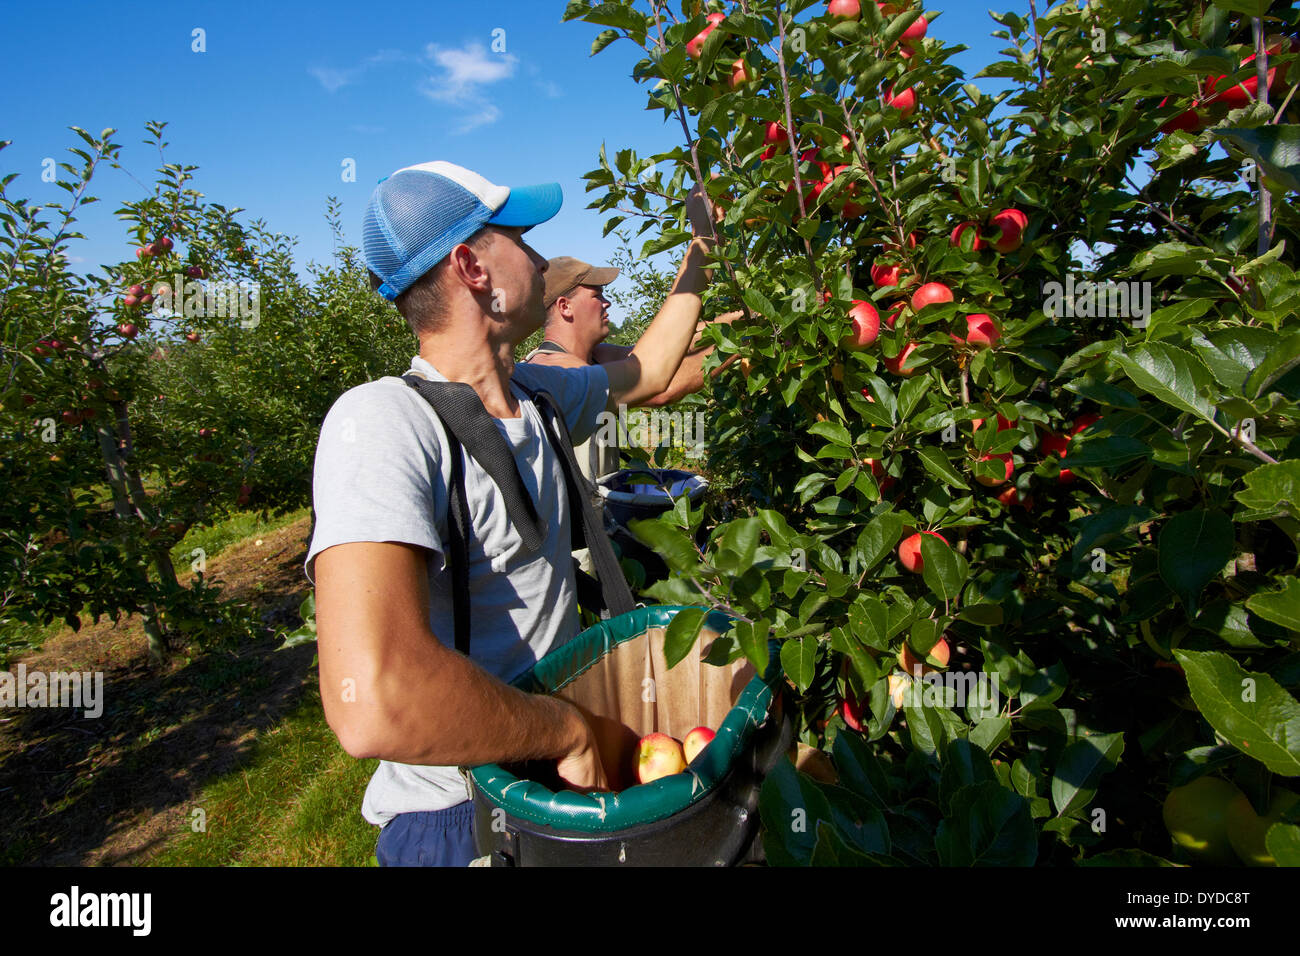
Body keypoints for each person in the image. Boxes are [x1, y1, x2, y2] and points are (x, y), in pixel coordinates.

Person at [304, 160, 722, 867]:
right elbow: (371, 698)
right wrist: (565, 731)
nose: (536, 256)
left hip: (554, 779)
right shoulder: (385, 422)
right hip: (462, 814)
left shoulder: (540, 395)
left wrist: (702, 249)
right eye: (519, 238)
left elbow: (651, 371)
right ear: (472, 267)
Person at [524, 256, 741, 482]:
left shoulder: (596, 357)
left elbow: (666, 346)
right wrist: (745, 339)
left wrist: (739, 320)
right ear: (565, 306)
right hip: (577, 516)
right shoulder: (555, 370)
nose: (607, 302)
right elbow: (659, 386)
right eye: (597, 295)